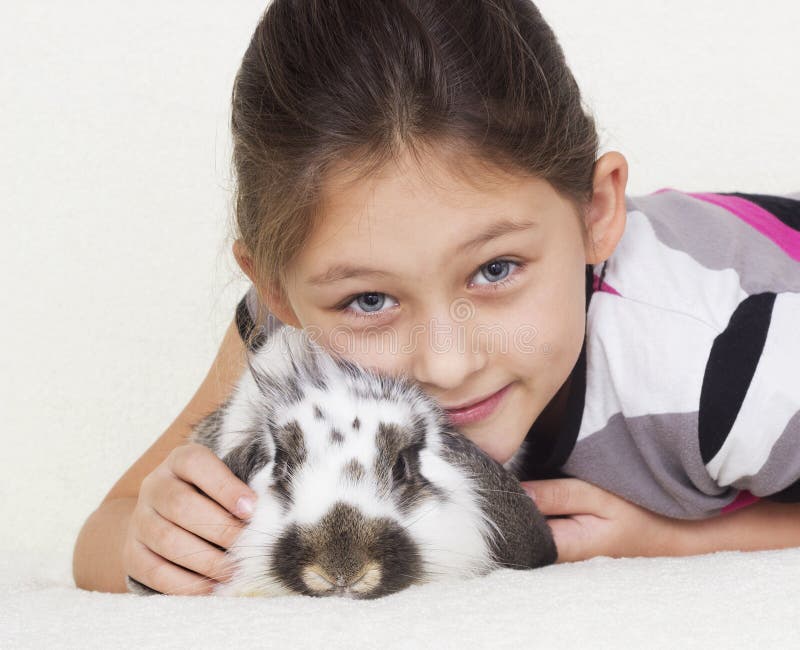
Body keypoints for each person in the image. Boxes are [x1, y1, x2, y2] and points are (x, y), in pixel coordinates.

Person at [73, 0, 800, 595]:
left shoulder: (719, 356)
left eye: (495, 270)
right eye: (369, 302)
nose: (447, 365)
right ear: (275, 292)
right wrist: (157, 537)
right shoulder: (296, 350)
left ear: (595, 214)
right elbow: (109, 526)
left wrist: (677, 540)